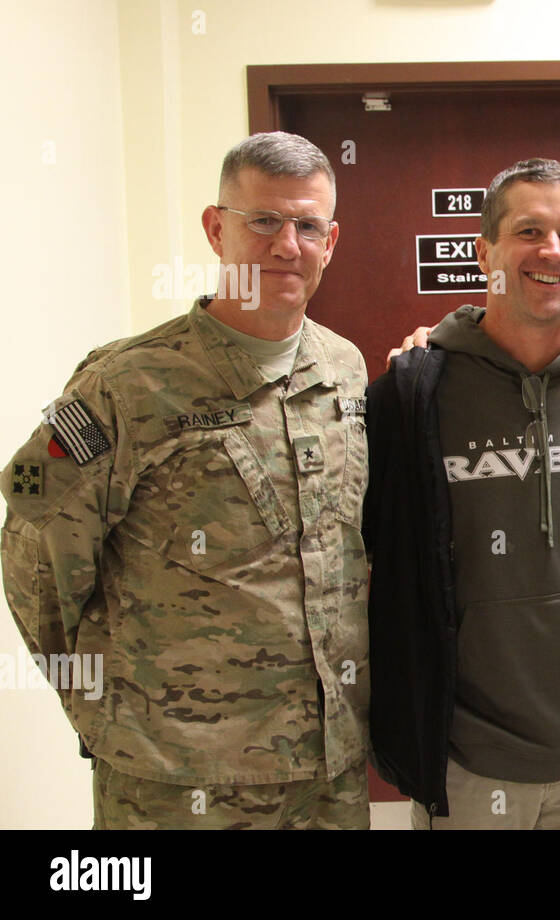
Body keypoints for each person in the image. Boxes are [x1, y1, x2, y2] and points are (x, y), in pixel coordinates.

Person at [1, 132, 371, 829]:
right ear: (215, 228)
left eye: (307, 225)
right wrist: (95, 696)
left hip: (327, 768)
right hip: (174, 780)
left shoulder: (344, 369)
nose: (286, 245)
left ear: (332, 240)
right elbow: (30, 537)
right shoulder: (122, 382)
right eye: (263, 221)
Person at [364, 158, 560, 829]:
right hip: (467, 760)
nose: (552, 252)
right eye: (529, 231)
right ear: (486, 252)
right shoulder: (413, 394)